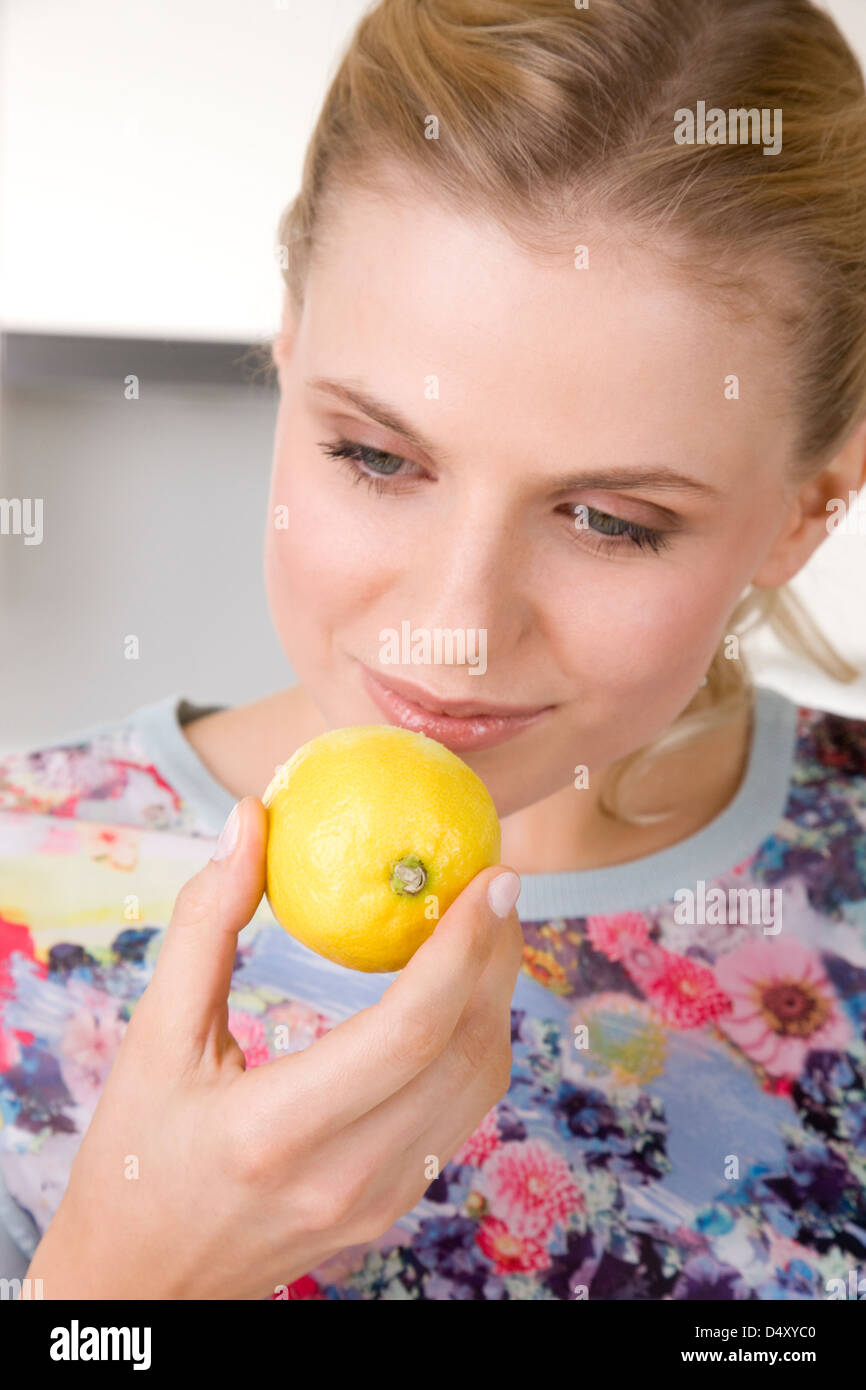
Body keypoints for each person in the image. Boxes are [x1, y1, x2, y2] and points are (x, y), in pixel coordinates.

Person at [2, 0, 866, 1301]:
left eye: (608, 519)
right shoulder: (25, 891)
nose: (453, 623)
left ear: (803, 512)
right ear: (287, 350)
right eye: (375, 454)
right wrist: (125, 1289)